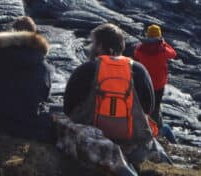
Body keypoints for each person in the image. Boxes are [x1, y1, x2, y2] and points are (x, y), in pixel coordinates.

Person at [64, 23, 162, 169]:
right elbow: (149, 107)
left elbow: (68, 107)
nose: (90, 47)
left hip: (92, 139)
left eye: (93, 43)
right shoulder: (139, 70)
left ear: (100, 46)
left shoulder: (86, 70)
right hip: (132, 140)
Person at [132, 23, 177, 127]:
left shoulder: (141, 48)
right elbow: (173, 54)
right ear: (159, 36)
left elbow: (135, 54)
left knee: (144, 104)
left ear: (148, 35)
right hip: (159, 84)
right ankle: (156, 127)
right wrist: (164, 43)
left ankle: (142, 124)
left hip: (145, 82)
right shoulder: (163, 50)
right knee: (156, 106)